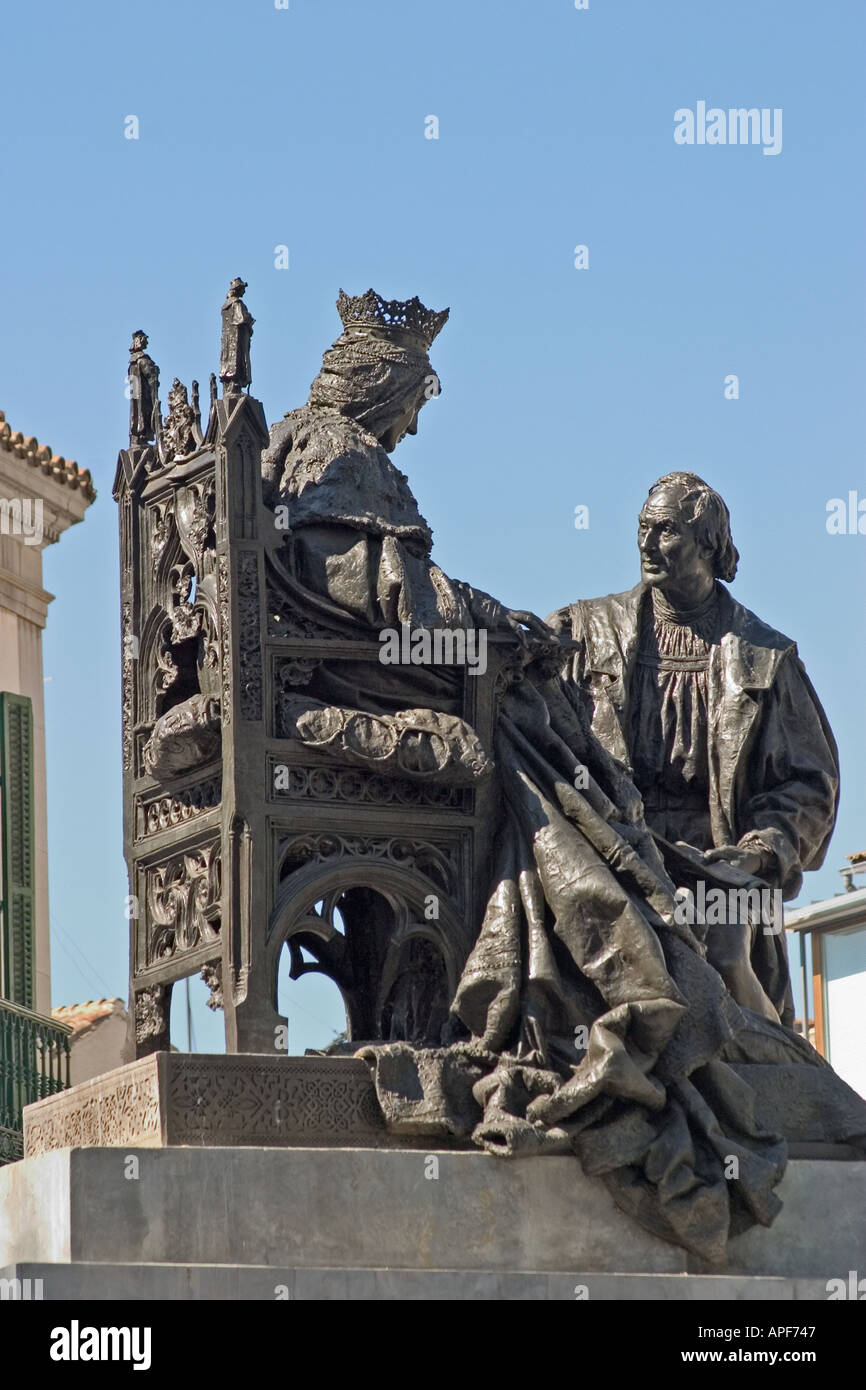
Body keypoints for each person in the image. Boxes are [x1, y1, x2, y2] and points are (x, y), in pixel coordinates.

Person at [547, 472, 840, 1025]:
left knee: (726, 958)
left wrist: (757, 852)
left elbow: (808, 786)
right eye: (642, 528)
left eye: (665, 531)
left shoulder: (764, 656)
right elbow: (528, 697)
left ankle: (783, 1078)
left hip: (721, 862)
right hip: (623, 853)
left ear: (707, 544)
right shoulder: (588, 631)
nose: (646, 543)